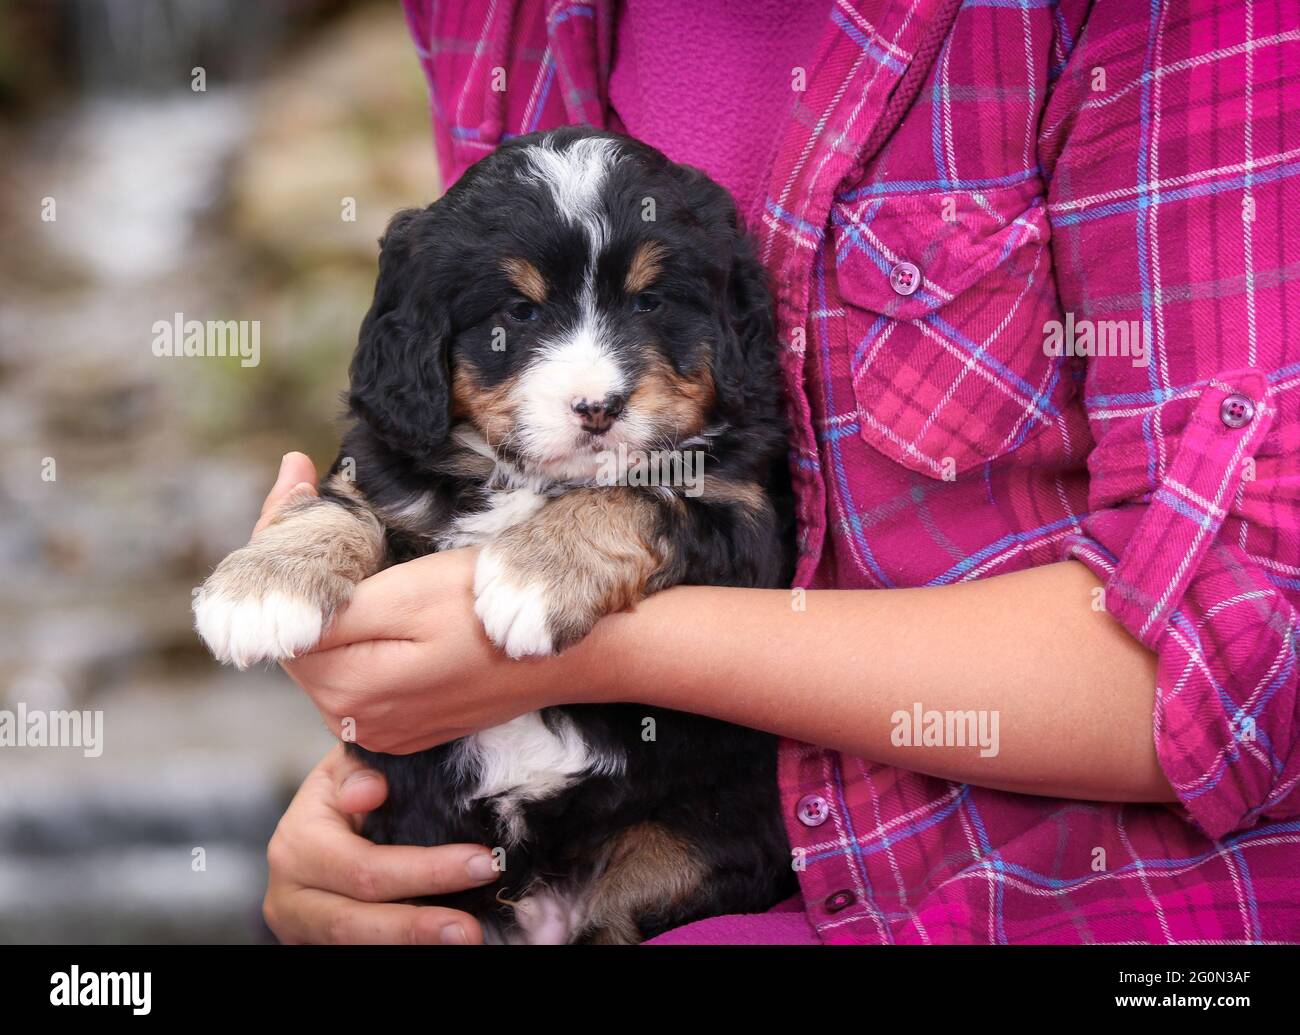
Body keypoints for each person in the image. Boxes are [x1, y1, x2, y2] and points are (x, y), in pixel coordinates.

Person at [258, 0, 1300, 945]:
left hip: (1049, 896)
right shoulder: (491, 16)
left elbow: (1238, 666)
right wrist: (379, 790)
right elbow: (458, 437)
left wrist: (591, 650)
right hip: (597, 829)